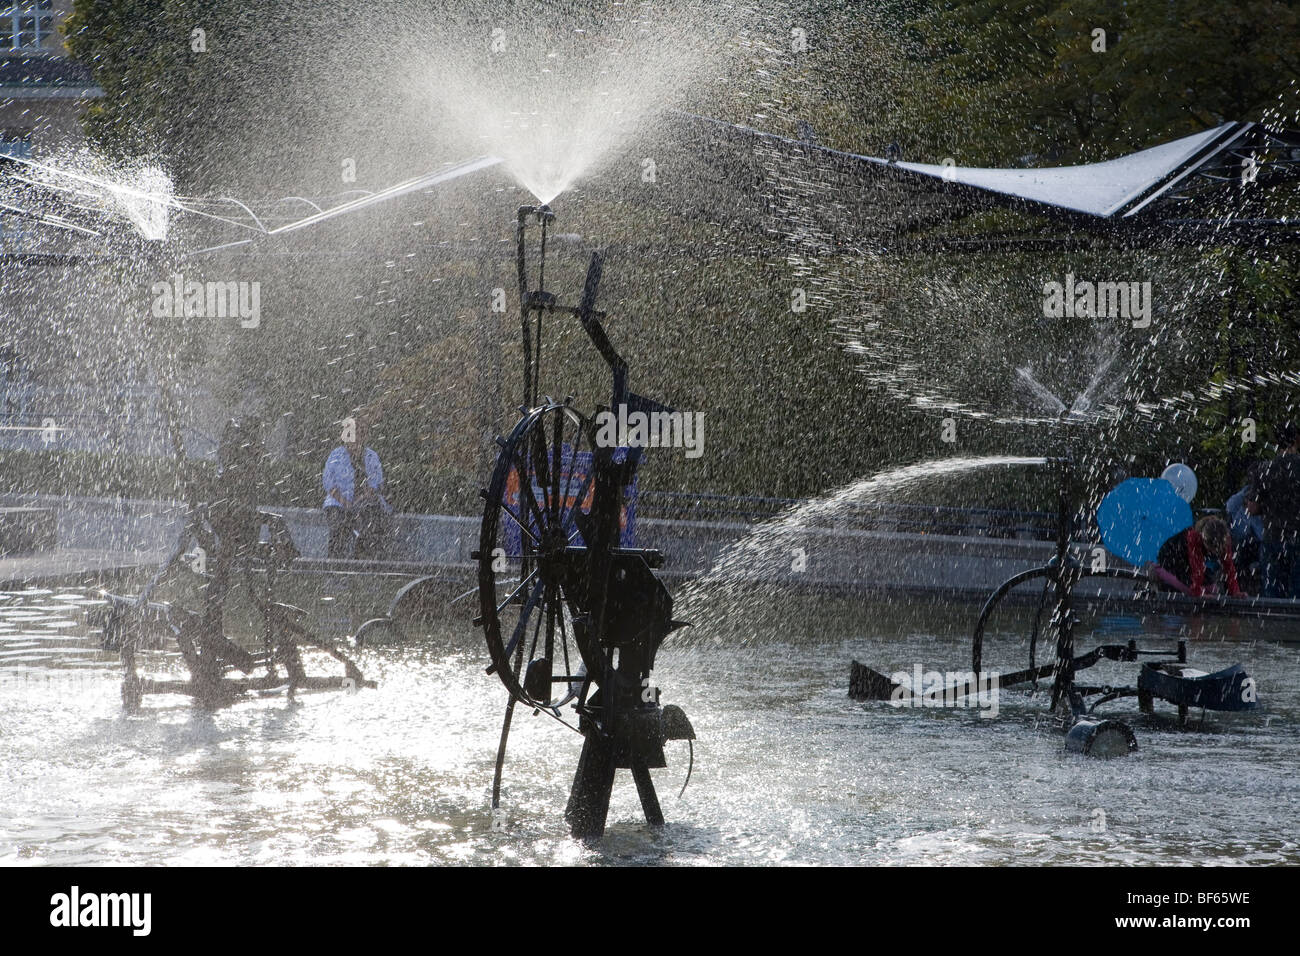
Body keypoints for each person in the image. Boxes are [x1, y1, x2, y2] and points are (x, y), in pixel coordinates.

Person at [322, 416, 390, 559]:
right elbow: (329, 484)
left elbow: (375, 484)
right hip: (338, 503)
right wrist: (345, 502)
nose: (355, 440)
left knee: (370, 519)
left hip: (365, 502)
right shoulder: (336, 455)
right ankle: (335, 561)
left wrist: (359, 501)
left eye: (360, 434)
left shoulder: (371, 456)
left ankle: (365, 559)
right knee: (338, 524)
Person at [1249, 421, 1300, 598]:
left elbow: (1253, 508)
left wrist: (1269, 507)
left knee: (1271, 598)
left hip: (1273, 537)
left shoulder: (1264, 469)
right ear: (1297, 440)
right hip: (1298, 539)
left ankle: (1270, 625)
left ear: (1276, 442)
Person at [1153, 515, 1243, 598]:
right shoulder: (1194, 537)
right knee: (1190, 590)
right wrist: (1198, 593)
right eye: (1212, 548)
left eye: (1217, 549)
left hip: (1188, 560)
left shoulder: (1224, 538)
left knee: (1213, 589)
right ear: (1204, 539)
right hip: (1172, 556)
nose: (1214, 552)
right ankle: (1157, 570)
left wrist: (1235, 591)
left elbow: (1229, 566)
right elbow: (1197, 567)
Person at [1225, 462, 1264, 586]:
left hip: (1259, 544)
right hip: (1244, 546)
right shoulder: (1238, 500)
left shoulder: (1267, 497)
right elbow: (1238, 532)